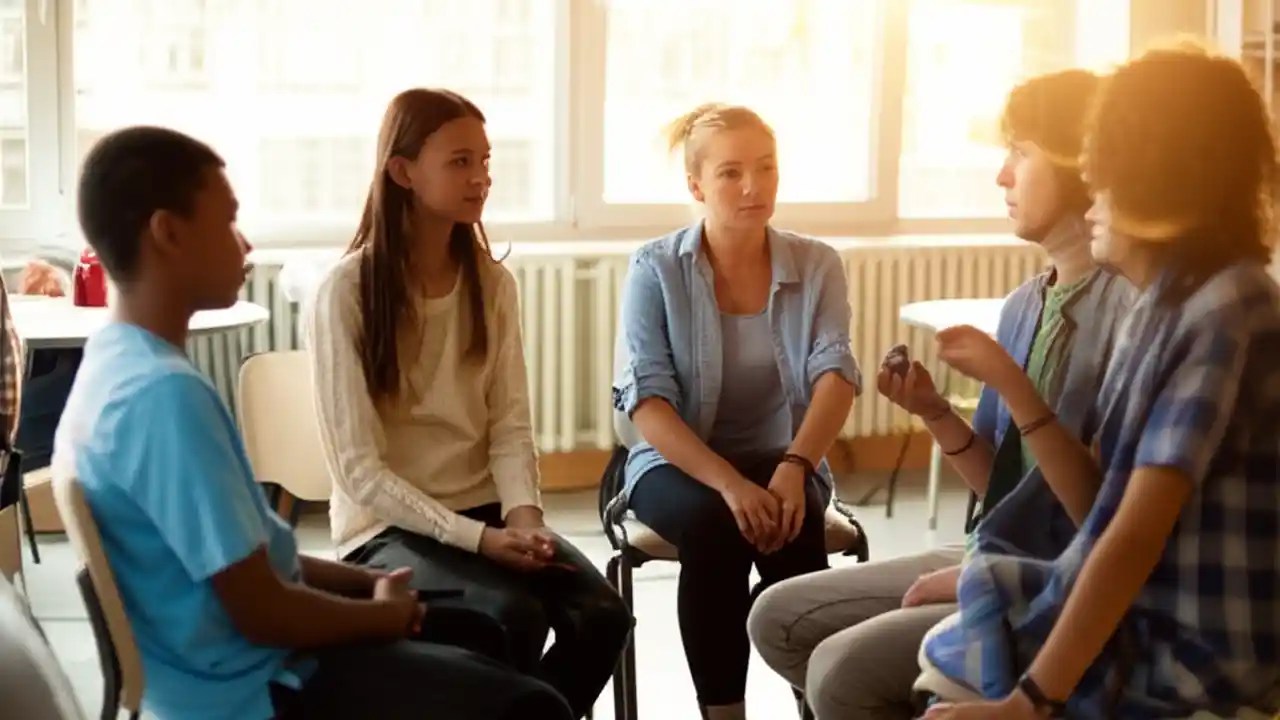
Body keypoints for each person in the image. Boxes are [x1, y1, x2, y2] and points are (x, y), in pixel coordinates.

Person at [51, 125, 573, 720]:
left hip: (221, 670)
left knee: (483, 634)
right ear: (167, 233)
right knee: (533, 706)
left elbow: (253, 561)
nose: (244, 244)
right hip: (256, 691)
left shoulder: (114, 365)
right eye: (227, 222)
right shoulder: (165, 397)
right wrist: (380, 616)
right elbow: (264, 611)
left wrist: (364, 590)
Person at [747, 69, 1133, 720]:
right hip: (997, 549)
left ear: (1079, 162)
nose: (1002, 177)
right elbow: (1002, 487)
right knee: (776, 616)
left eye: (1020, 152)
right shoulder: (1022, 306)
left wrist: (1009, 380)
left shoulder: (1128, 313)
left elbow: (1101, 517)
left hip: (1053, 569)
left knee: (838, 672)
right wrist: (931, 412)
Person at [922, 44, 1280, 719]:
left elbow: (1132, 534)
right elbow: (1093, 511)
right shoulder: (1166, 301)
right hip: (1143, 613)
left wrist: (1031, 701)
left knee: (915, 674)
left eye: (1102, 158)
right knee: (942, 650)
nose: (1088, 178)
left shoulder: (1228, 308)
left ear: (1158, 174)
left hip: (1189, 649)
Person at [305, 88, 631, 719]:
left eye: (485, 160)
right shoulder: (344, 292)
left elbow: (510, 427)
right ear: (402, 172)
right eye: (459, 161)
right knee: (507, 616)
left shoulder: (492, 283)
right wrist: (481, 540)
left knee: (602, 617)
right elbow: (360, 475)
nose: (480, 177)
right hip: (385, 529)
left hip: (488, 515)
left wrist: (526, 520)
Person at [612, 103, 859, 720]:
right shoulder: (655, 268)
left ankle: (815, 703)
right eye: (729, 173)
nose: (753, 186)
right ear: (696, 186)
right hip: (673, 466)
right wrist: (729, 483)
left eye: (766, 168)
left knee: (793, 526)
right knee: (717, 524)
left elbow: (837, 374)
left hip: (786, 460)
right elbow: (648, 403)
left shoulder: (818, 262)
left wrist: (796, 467)